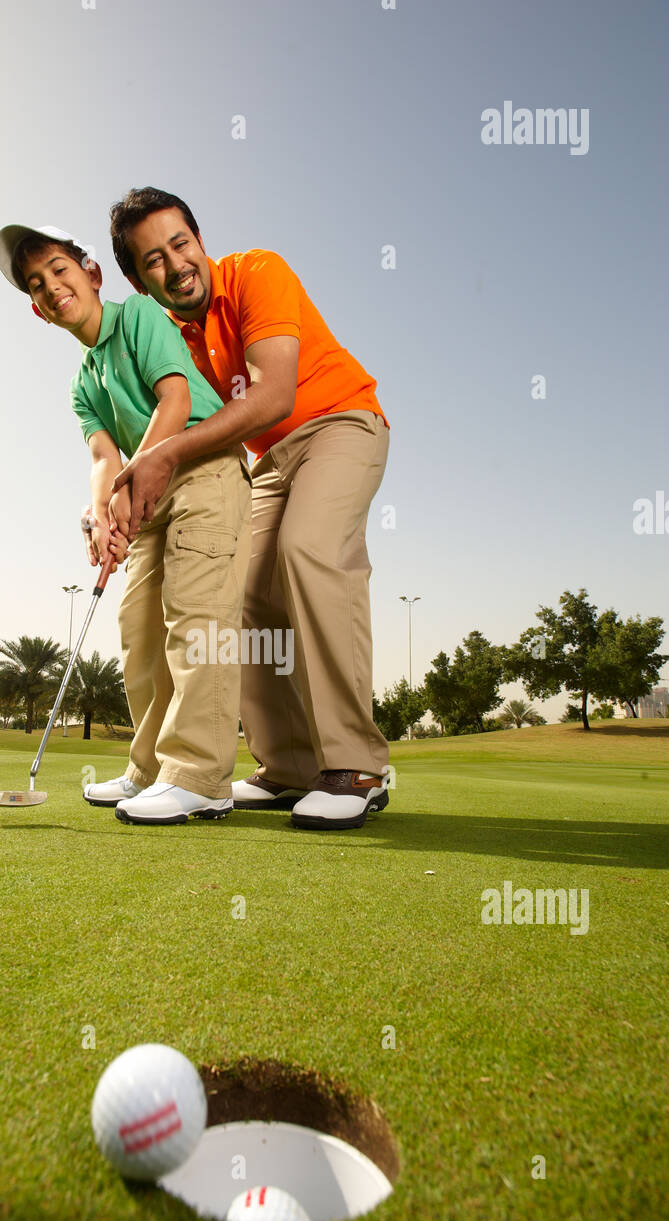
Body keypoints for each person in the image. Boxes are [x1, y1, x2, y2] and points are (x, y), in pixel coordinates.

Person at [104, 187, 391, 831]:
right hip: (268, 460)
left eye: (181, 244)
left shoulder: (259, 270)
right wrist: (125, 490)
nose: (175, 265)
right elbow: (180, 416)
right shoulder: (175, 333)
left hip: (342, 423)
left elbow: (273, 397)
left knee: (307, 552)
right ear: (136, 278)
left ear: (200, 242)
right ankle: (287, 765)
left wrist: (165, 455)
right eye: (153, 260)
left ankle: (357, 765)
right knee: (245, 590)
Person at [0, 222, 251, 825]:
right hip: (151, 492)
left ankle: (200, 777)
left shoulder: (137, 314)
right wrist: (98, 511)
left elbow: (176, 402)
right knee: (139, 630)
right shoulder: (82, 383)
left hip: (205, 470)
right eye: (37, 284)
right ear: (37, 311)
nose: (53, 287)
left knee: (196, 618)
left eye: (59, 269)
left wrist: (125, 490)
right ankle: (149, 768)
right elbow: (104, 459)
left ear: (92, 274)